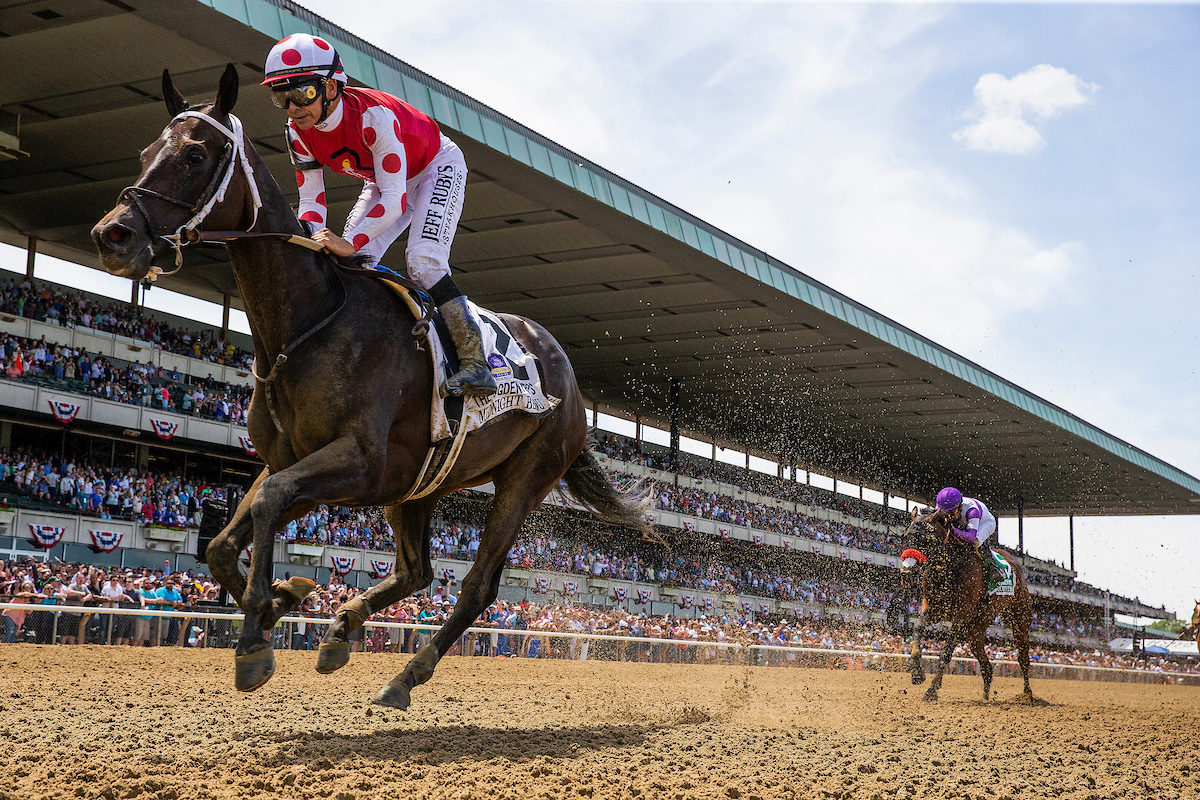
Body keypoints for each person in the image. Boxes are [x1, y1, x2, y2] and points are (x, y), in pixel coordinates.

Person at [260, 33, 497, 398]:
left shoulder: (373, 117)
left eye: (302, 93)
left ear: (331, 87)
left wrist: (347, 241)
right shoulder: (296, 132)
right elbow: (311, 203)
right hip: (386, 181)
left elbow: (395, 199)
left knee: (423, 261)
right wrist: (308, 240)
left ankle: (475, 361)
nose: (292, 107)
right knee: (351, 263)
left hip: (435, 166)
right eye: (281, 97)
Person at [933, 487, 1004, 587]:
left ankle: (994, 569)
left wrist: (953, 530)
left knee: (974, 543)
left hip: (985, 523)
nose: (949, 516)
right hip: (964, 520)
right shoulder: (945, 506)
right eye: (945, 513)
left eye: (952, 512)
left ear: (960, 506)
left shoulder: (972, 511)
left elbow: (971, 537)